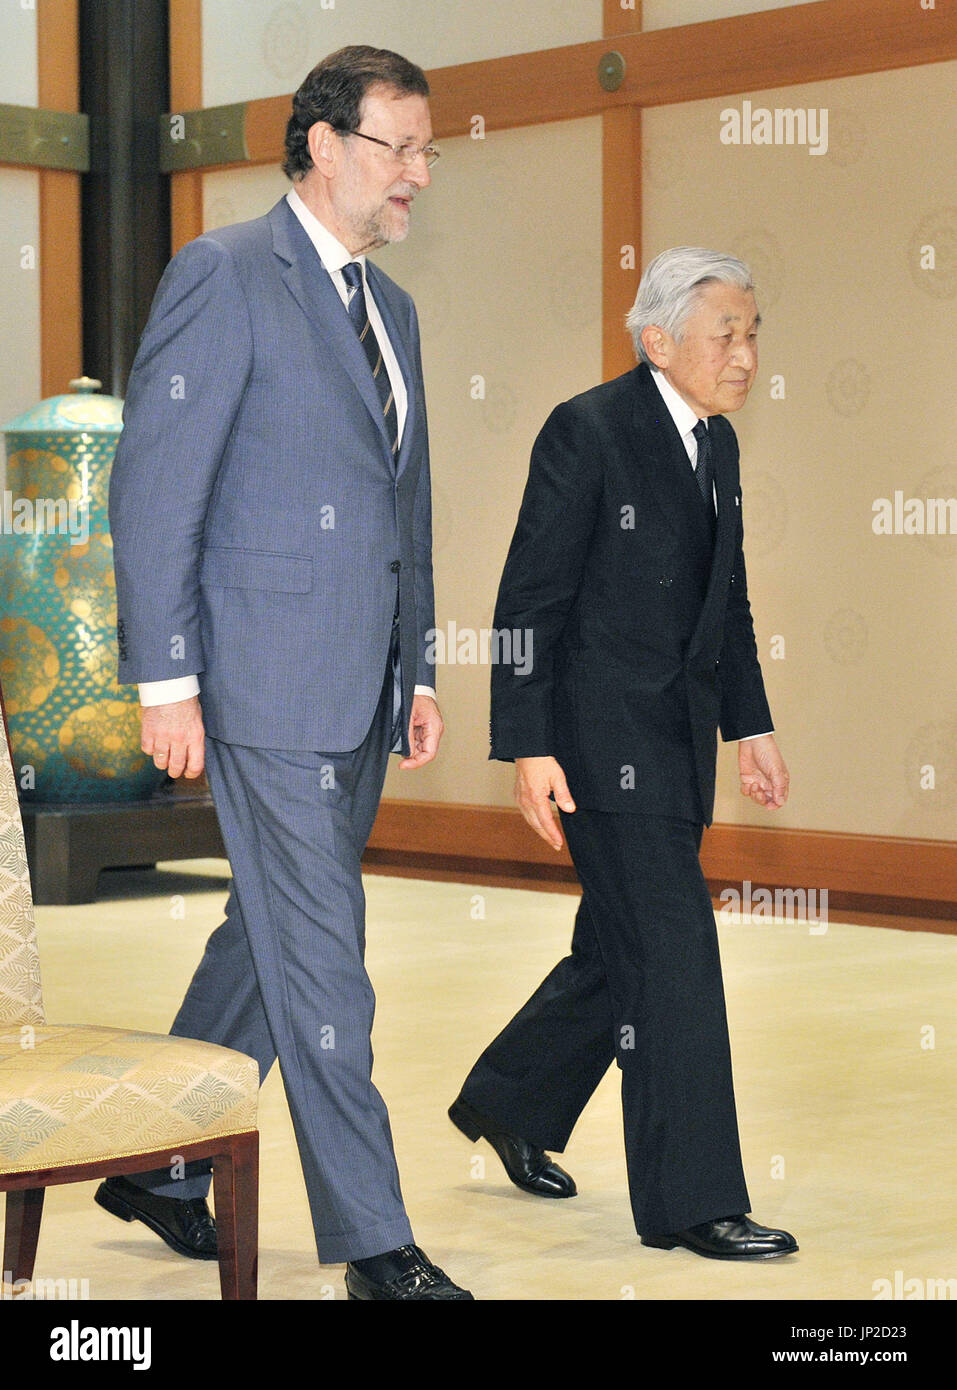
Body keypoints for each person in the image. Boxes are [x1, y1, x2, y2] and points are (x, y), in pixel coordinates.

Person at [104, 45, 471, 1300]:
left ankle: (151, 1158)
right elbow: (155, 485)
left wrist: (413, 665)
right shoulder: (225, 274)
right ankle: (374, 1243)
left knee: (269, 932)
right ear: (323, 144)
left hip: (358, 685)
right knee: (327, 955)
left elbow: (403, 506)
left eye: (428, 150)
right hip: (260, 685)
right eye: (400, 147)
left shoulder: (394, 310)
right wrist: (166, 683)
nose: (419, 173)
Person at [449, 247, 798, 1263]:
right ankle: (696, 1200)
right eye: (724, 333)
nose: (745, 352)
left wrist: (752, 724)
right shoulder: (588, 430)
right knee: (676, 956)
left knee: (620, 951)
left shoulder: (716, 448)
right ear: (658, 341)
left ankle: (509, 1099)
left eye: (752, 330)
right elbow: (529, 600)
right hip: (600, 752)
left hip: (678, 747)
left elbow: (722, 604)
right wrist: (528, 746)